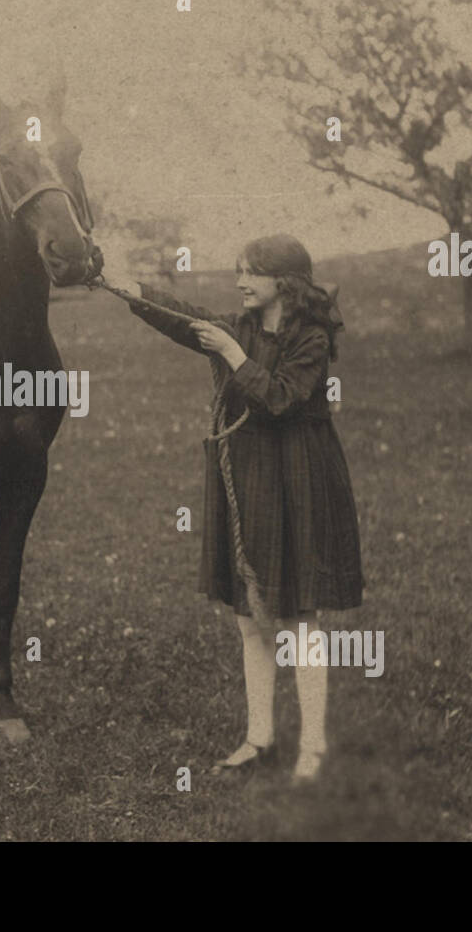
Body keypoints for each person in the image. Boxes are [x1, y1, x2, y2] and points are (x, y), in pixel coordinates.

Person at [101, 235, 363, 782]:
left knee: (297, 619)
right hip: (247, 477)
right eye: (239, 271)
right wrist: (129, 288)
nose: (240, 281)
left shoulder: (311, 337)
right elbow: (183, 317)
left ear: (284, 283)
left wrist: (230, 353)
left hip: (299, 477)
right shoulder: (237, 325)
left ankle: (313, 746)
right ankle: (259, 738)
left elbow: (280, 399)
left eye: (251, 273)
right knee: (250, 618)